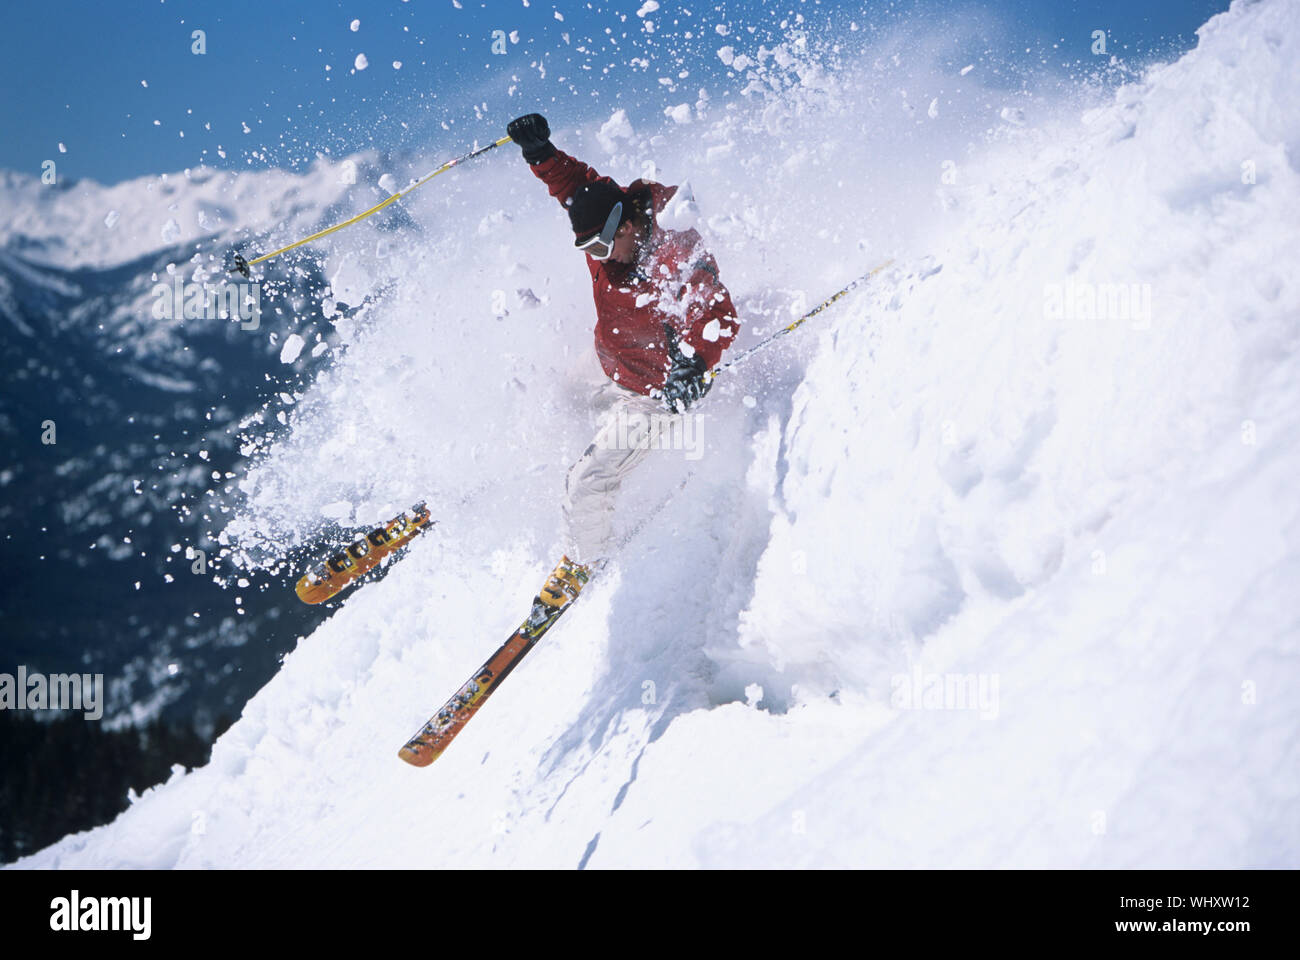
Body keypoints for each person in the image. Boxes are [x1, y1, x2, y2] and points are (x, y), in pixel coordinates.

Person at [506, 112, 740, 582]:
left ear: (627, 225)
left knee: (586, 484)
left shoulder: (673, 247)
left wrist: (693, 366)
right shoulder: (608, 222)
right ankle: (504, 476)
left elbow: (716, 310)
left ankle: (583, 563)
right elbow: (576, 186)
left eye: (600, 247)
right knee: (545, 401)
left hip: (655, 394)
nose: (598, 259)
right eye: (587, 250)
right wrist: (541, 153)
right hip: (610, 367)